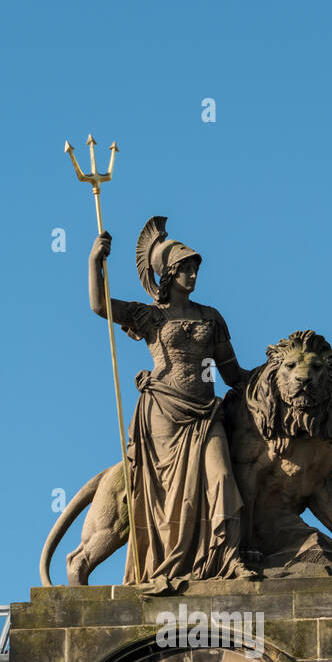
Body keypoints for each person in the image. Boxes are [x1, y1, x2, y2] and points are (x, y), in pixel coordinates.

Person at [89, 216, 256, 588]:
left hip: (204, 413)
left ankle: (229, 558)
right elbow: (100, 306)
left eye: (195, 268)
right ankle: (169, 560)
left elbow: (233, 374)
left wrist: (273, 373)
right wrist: (94, 262)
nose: (193, 275)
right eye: (184, 268)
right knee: (167, 498)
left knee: (222, 476)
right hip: (163, 410)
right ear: (167, 273)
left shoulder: (211, 318)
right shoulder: (150, 315)